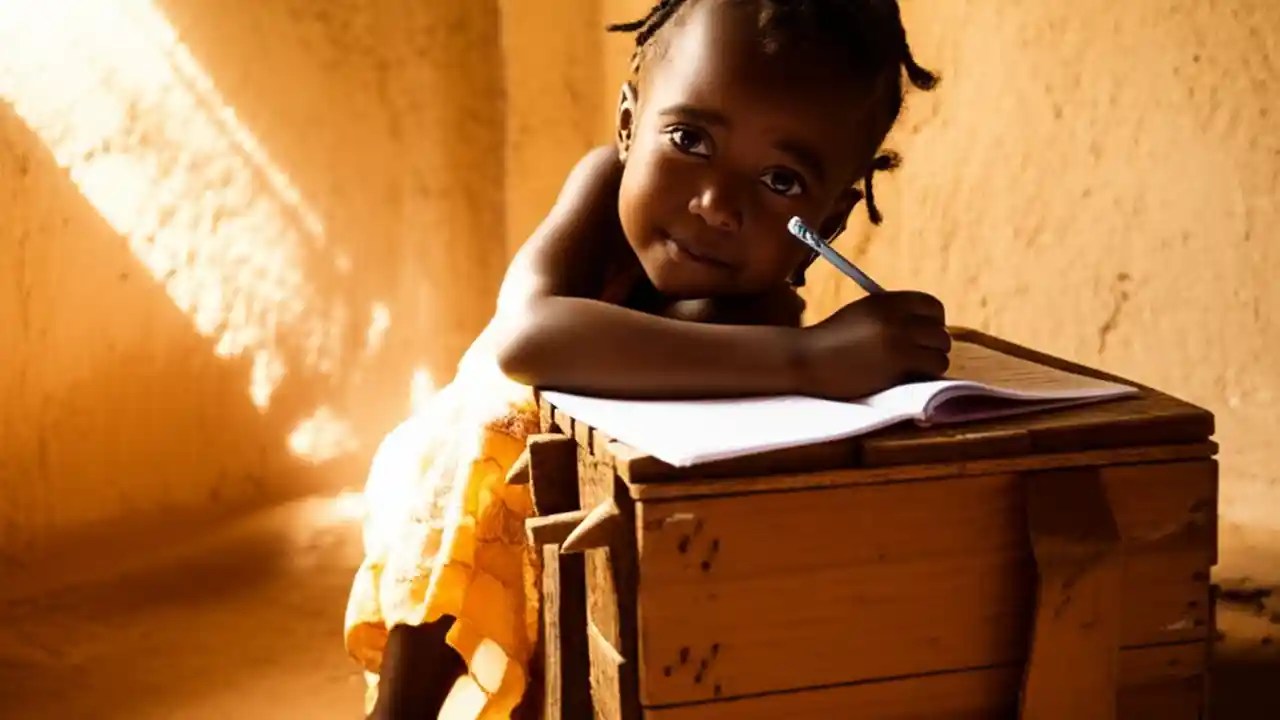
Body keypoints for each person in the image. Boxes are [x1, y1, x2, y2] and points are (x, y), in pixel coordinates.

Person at [348, 1, 949, 717]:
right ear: (630, 125)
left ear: (827, 224)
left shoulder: (756, 310)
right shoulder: (602, 186)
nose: (716, 203)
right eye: (690, 139)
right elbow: (528, 338)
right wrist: (810, 358)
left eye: (781, 181)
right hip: (457, 493)